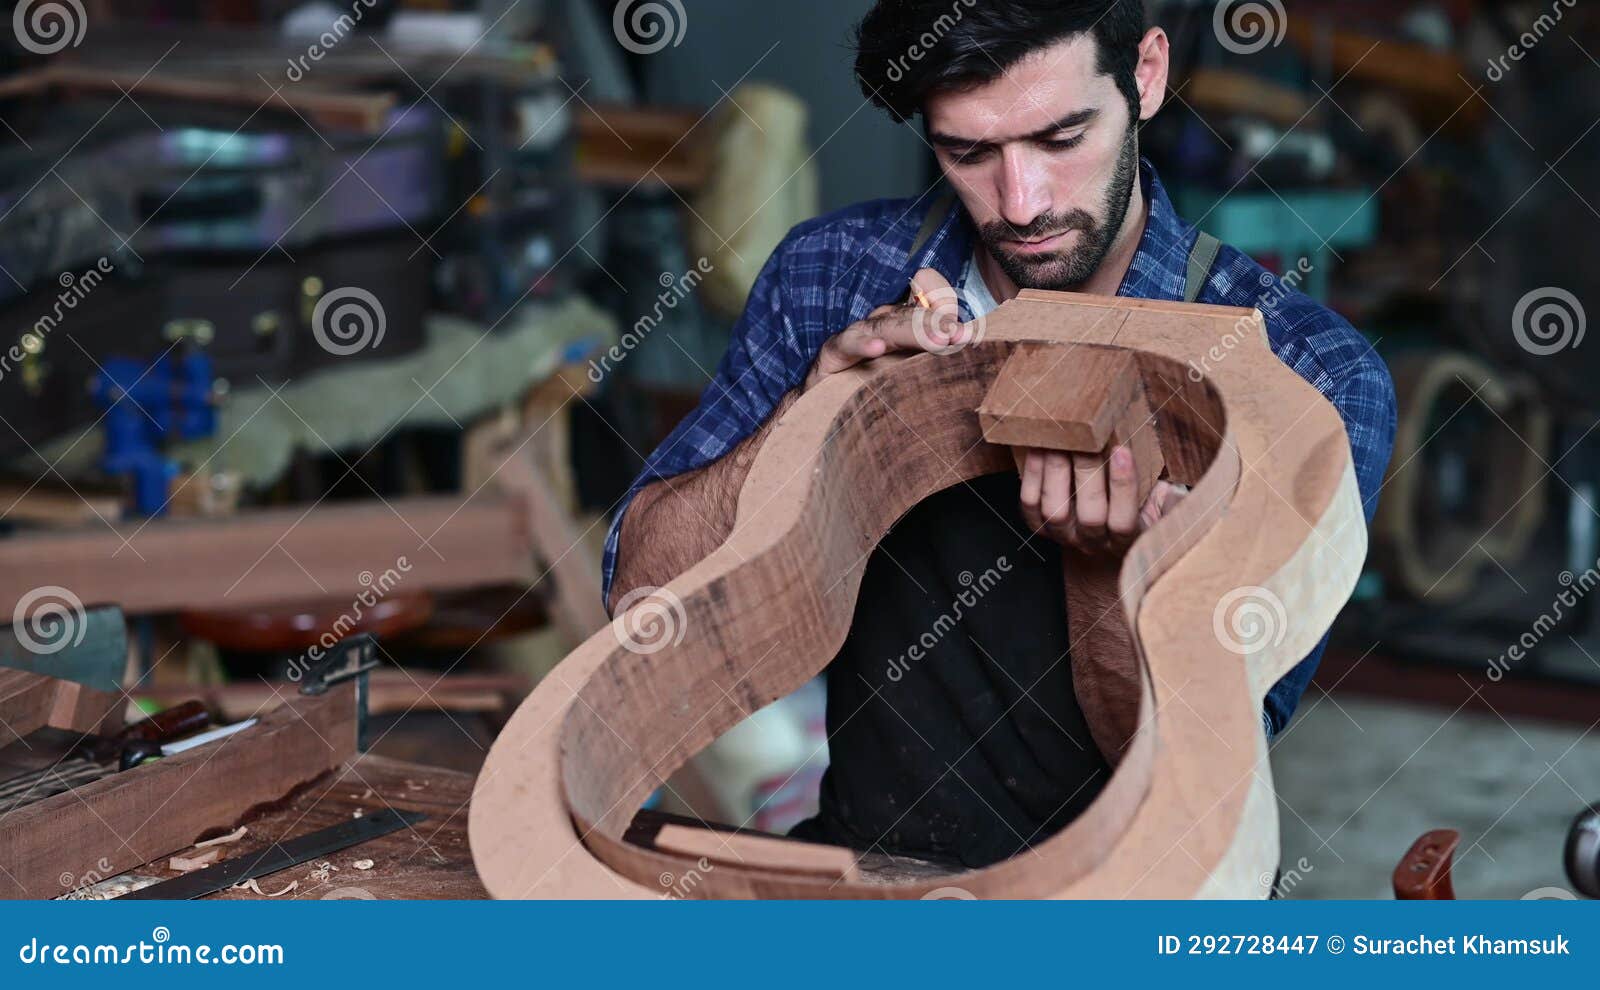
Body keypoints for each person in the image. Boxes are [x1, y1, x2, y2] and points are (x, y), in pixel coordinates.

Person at [604, 0, 1396, 869]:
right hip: (874, 874)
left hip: (1136, 903)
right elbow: (644, 602)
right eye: (969, 153)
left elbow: (1206, 766)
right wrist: (813, 426)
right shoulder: (833, 275)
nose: (1022, 205)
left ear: (1146, 75)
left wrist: (1112, 574)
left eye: (1062, 139)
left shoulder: (1306, 376)